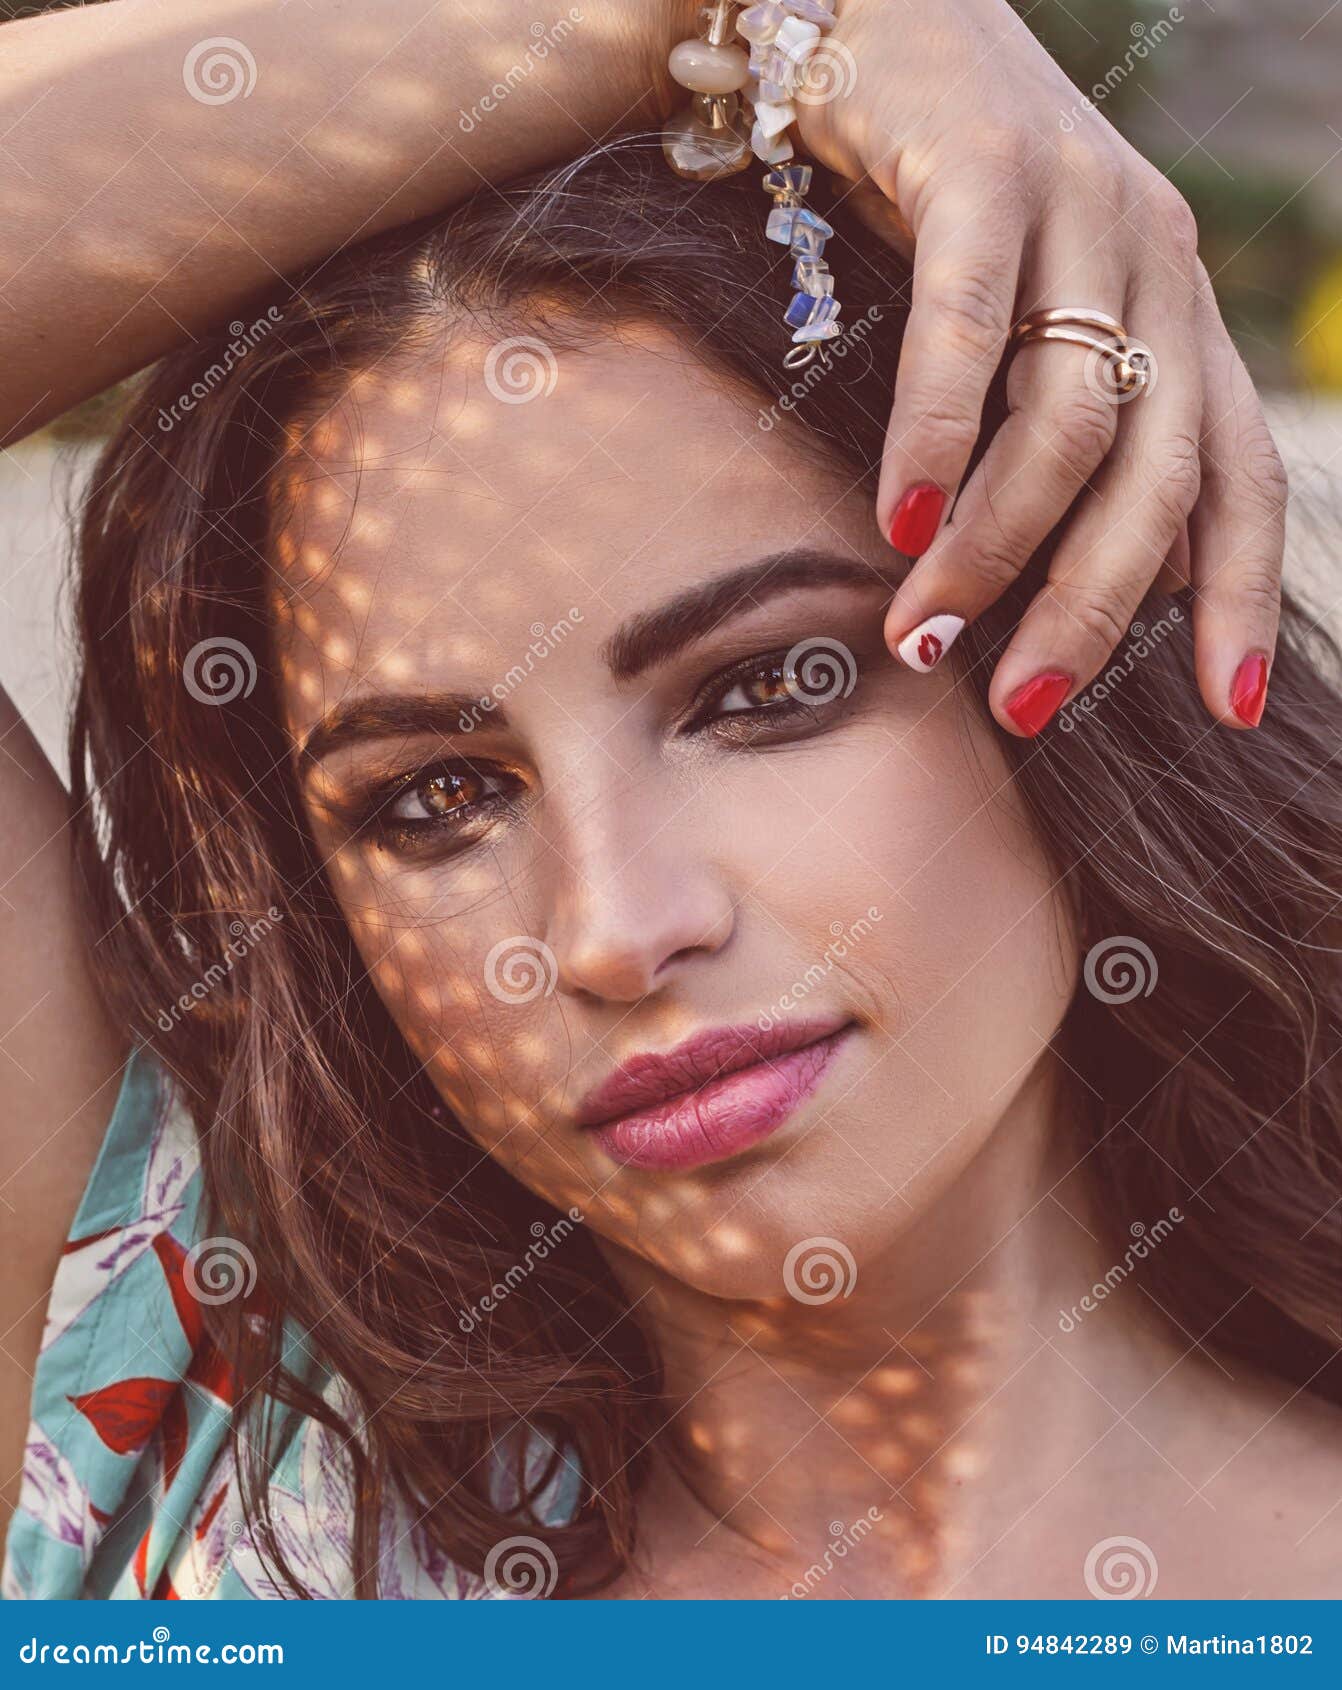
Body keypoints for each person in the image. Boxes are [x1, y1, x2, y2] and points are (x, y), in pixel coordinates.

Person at [2, 0, 1336, 1601]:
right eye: (435, 796)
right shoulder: (202, 1454)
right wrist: (710, 20)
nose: (613, 928)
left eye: (764, 688)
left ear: (1075, 624)